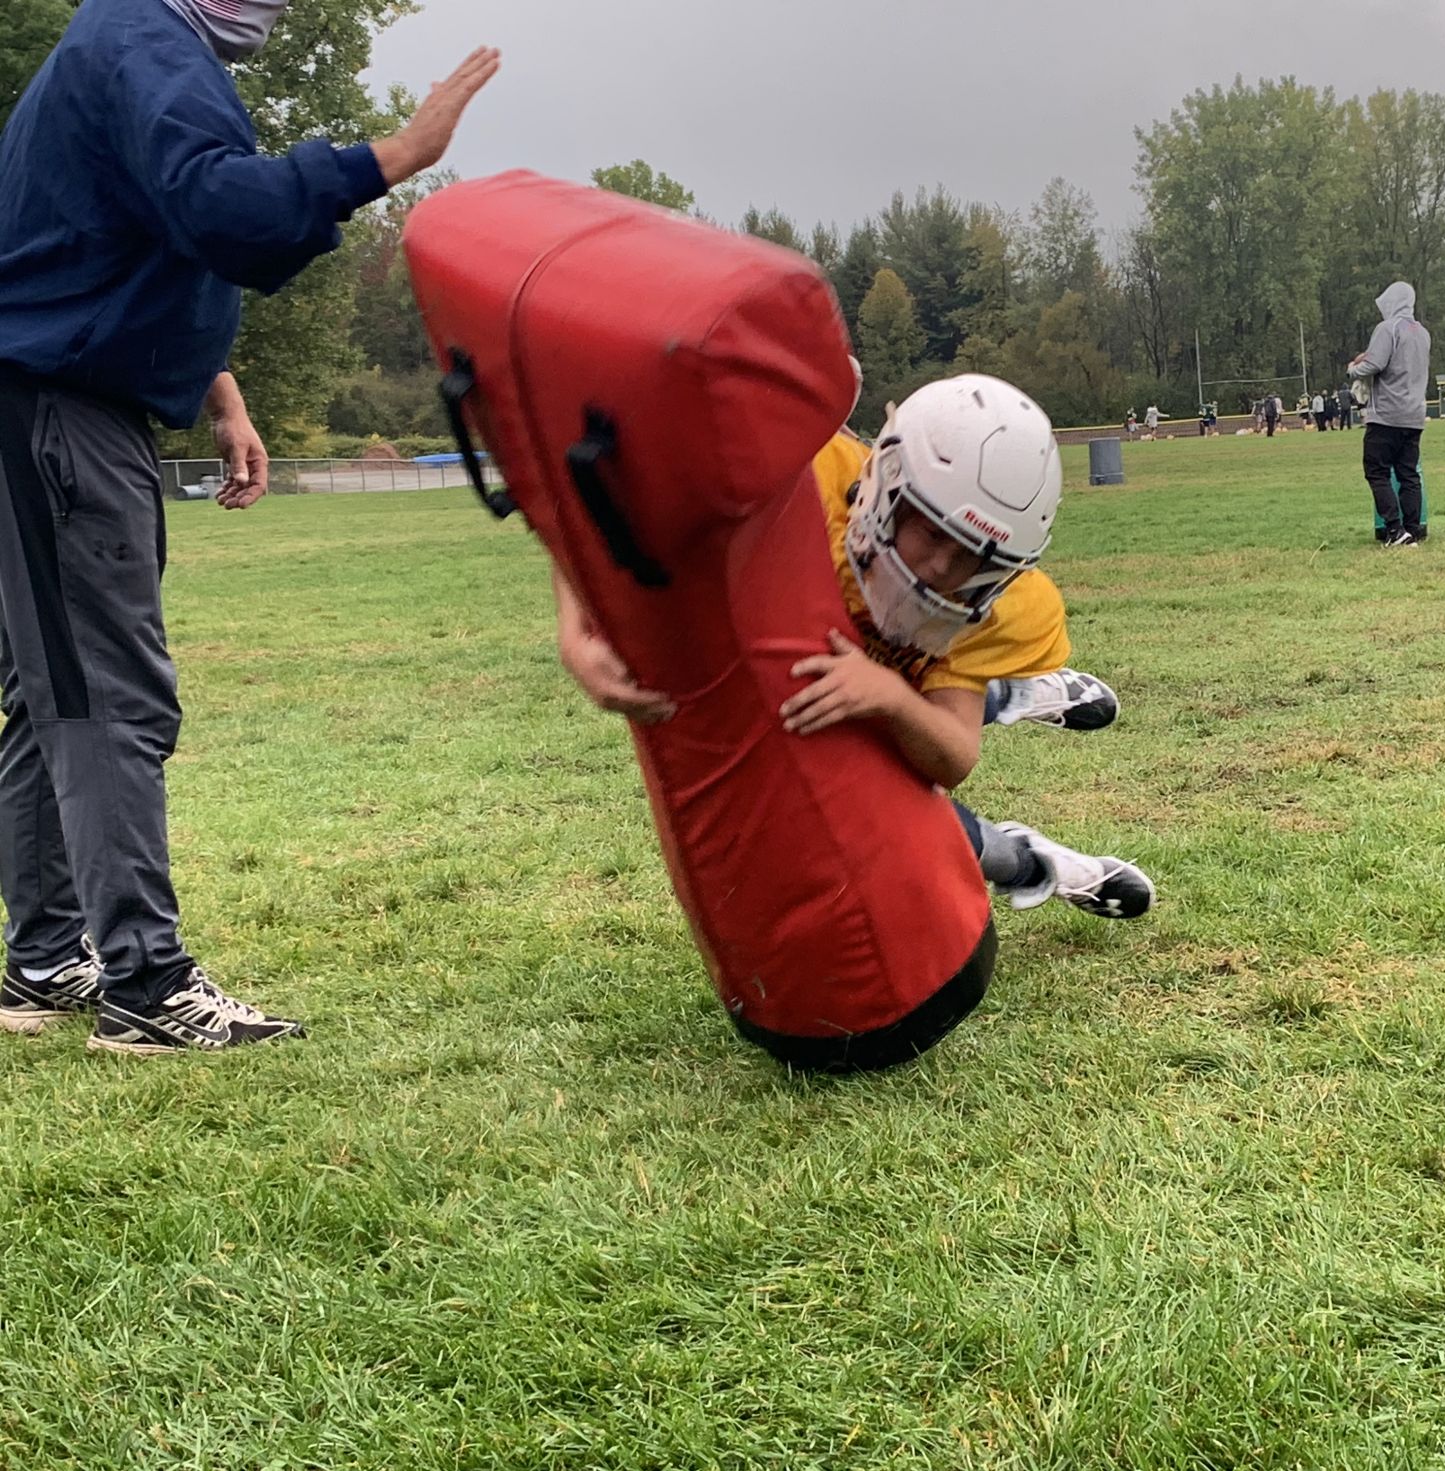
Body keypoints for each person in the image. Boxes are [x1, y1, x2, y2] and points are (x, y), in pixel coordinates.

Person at [0, 1, 498, 1054]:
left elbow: (121, 236)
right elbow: (218, 206)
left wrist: (219, 392)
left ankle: (46, 959)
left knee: (47, 693)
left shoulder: (116, 42)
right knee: (103, 698)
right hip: (55, 411)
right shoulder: (143, 38)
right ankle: (146, 986)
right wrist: (392, 154)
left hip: (52, 400)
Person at [552, 374, 1156, 923]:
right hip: (812, 674)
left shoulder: (1006, 608)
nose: (941, 568)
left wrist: (891, 698)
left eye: (972, 556)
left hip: (898, 685)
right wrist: (577, 623)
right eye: (929, 530)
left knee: (898, 803)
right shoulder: (801, 477)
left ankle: (1016, 762)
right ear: (885, 485)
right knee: (842, 783)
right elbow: (609, 480)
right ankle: (1028, 831)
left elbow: (951, 756)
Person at [1348, 280, 1432, 548]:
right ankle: (1412, 528)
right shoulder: (1423, 333)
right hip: (1414, 414)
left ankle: (1394, 530)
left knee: (1376, 471)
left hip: (1386, 415)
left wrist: (1352, 368)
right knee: (1409, 474)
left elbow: (1374, 364)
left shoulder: (1387, 329)